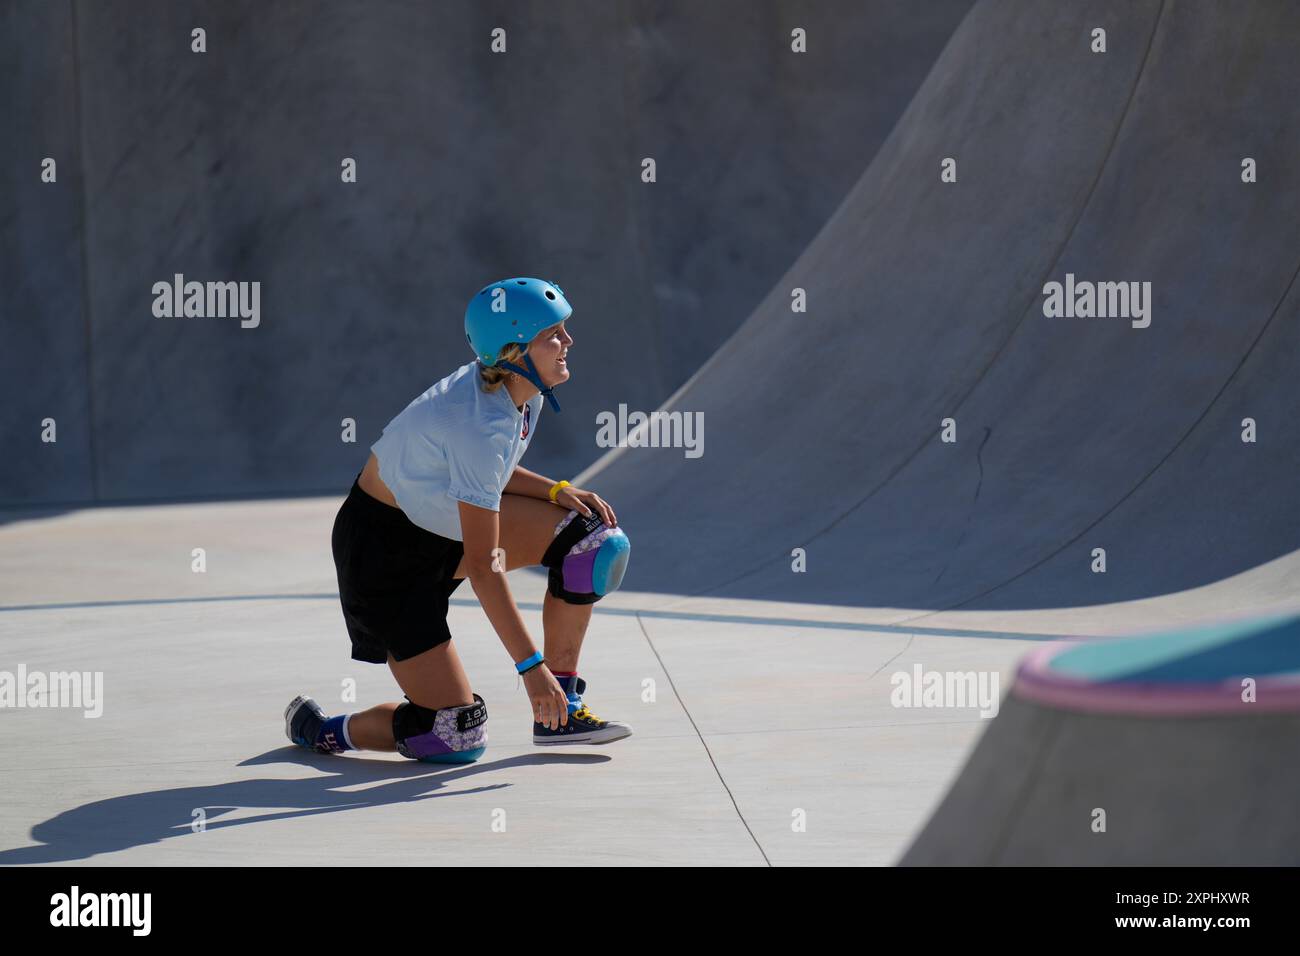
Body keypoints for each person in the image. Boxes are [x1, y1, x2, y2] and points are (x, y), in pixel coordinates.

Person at [285, 277, 632, 763]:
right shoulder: (478, 423)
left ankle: (561, 713)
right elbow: (484, 562)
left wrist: (555, 489)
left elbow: (488, 472)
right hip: (384, 557)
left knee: (591, 542)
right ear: (514, 351)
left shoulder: (519, 387)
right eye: (553, 334)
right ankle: (326, 730)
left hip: (440, 523)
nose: (568, 342)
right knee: (452, 736)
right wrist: (531, 670)